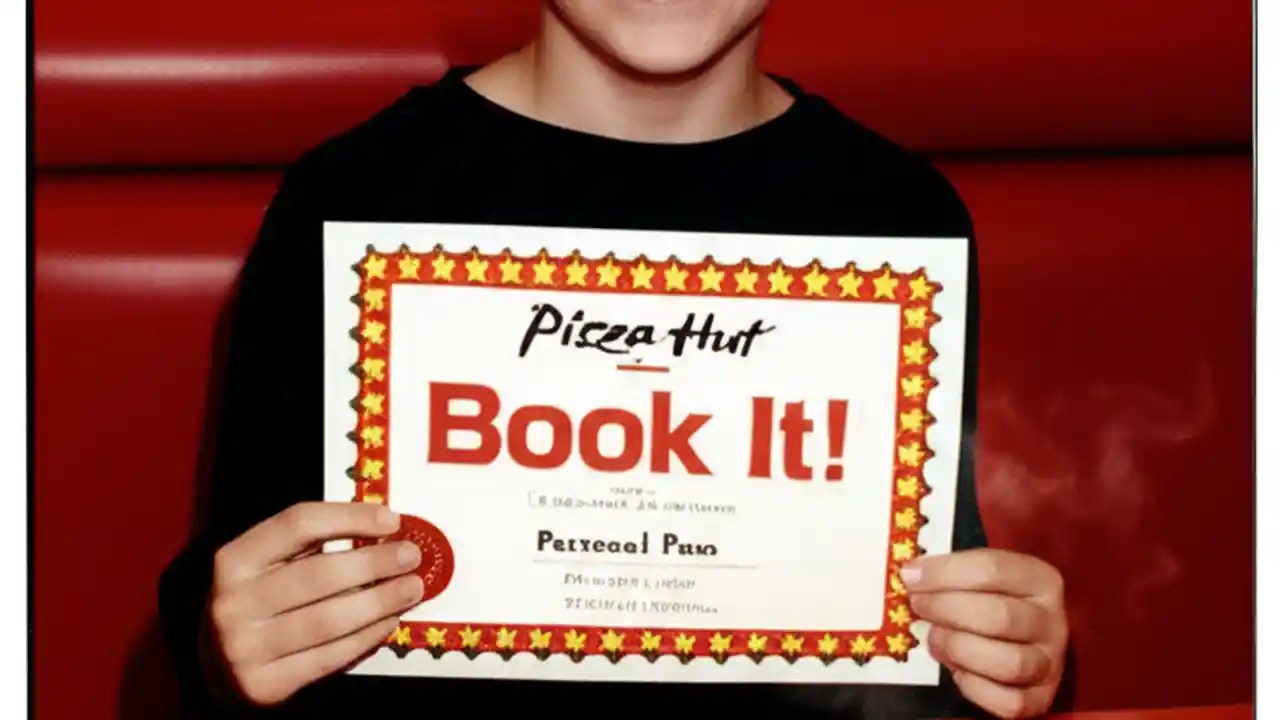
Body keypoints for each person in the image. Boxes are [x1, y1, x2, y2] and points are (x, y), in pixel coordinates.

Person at [159, 1, 1070, 718]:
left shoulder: (897, 220)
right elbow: (224, 606)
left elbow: (926, 617)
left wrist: (1015, 659)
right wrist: (225, 650)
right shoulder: (352, 197)